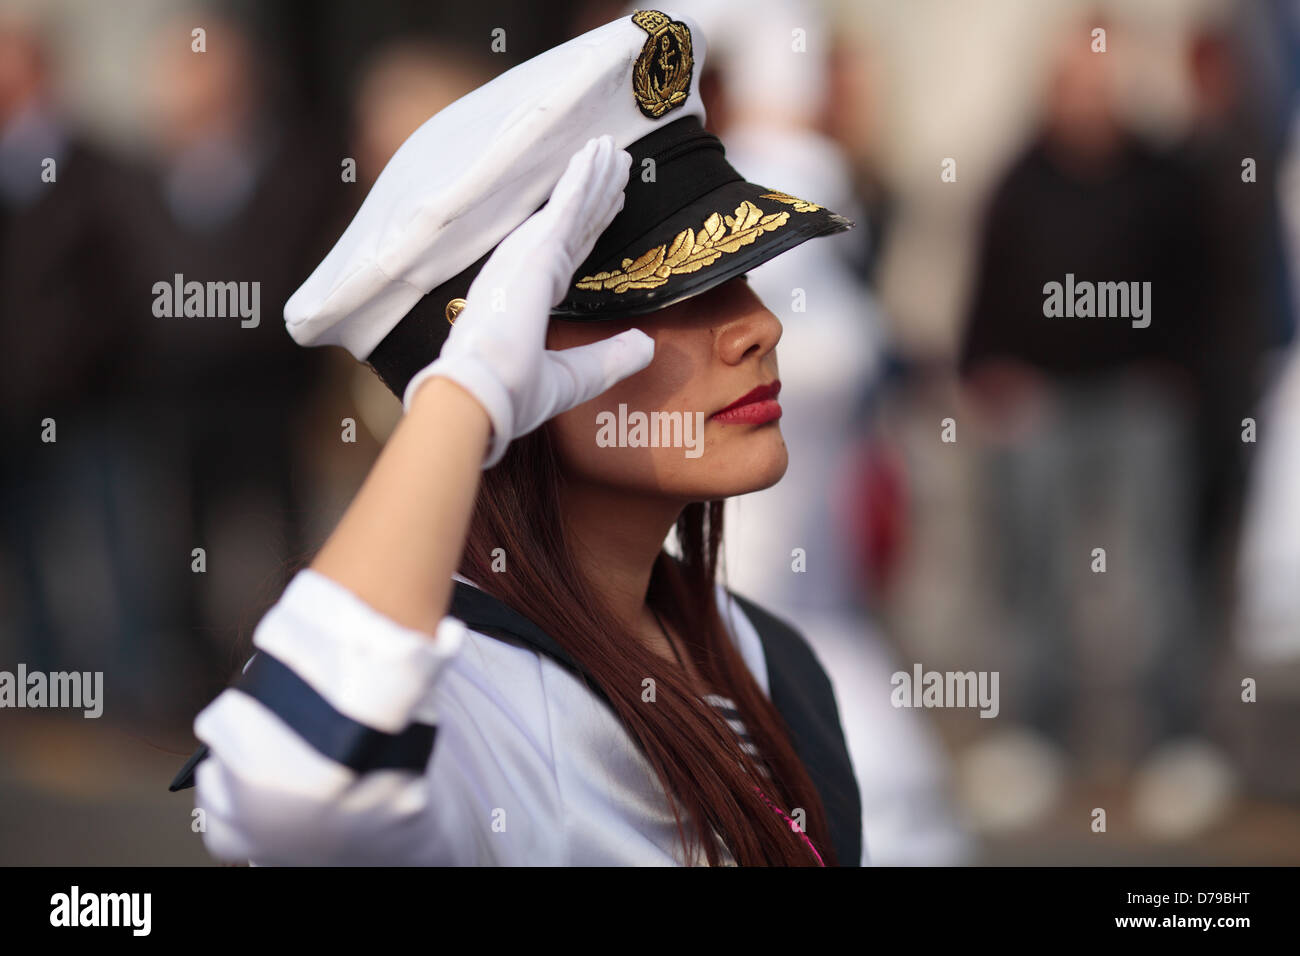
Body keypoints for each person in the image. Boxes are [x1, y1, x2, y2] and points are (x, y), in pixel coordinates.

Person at [170, 10, 867, 866]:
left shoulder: (768, 659)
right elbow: (287, 794)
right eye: (670, 294)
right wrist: (463, 399)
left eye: (742, 273)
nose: (758, 328)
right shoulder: (446, 695)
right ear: (509, 352)